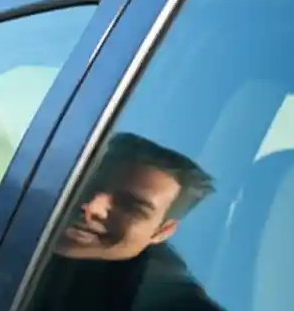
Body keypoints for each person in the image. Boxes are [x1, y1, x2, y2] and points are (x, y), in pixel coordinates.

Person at [30, 132, 222, 311]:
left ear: (162, 232)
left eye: (130, 207)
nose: (92, 207)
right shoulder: (13, 205)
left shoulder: (168, 300)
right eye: (86, 184)